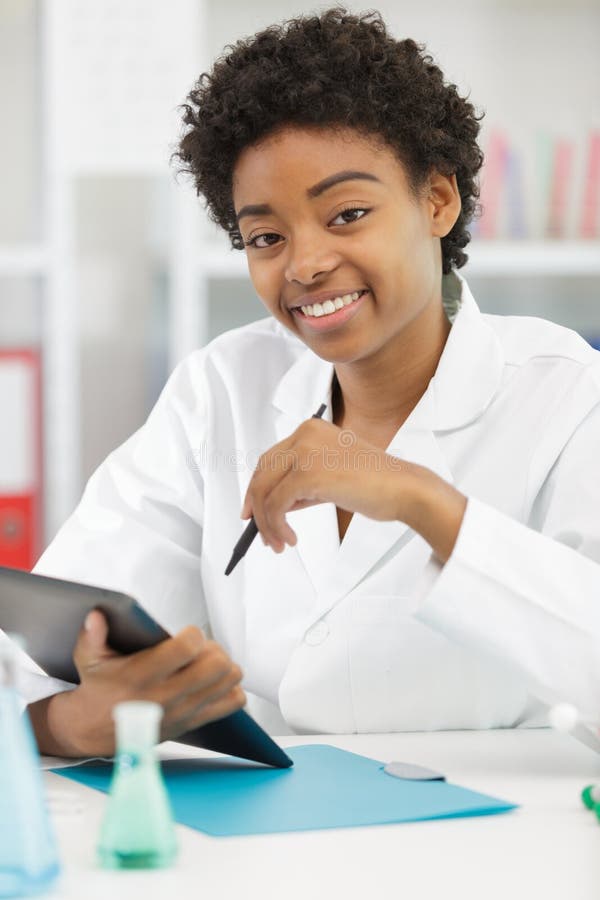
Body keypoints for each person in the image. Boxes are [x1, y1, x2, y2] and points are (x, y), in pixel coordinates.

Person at [14, 6, 600, 756]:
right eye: (265, 236)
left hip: (502, 846)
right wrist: (77, 723)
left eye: (347, 214)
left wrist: (424, 503)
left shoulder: (566, 396)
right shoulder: (222, 389)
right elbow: (52, 644)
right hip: (268, 846)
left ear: (438, 201)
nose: (304, 263)